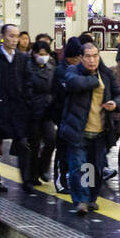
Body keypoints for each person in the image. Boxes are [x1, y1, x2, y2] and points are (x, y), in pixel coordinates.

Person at [58, 42, 120, 215]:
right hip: (77, 130)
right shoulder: (73, 71)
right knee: (78, 167)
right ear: (81, 58)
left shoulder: (107, 75)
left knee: (95, 168)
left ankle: (91, 199)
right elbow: (73, 83)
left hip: (100, 131)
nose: (92, 60)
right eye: (88, 56)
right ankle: (81, 201)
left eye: (95, 55)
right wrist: (94, 81)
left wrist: (115, 103)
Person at [0, 24, 32, 192]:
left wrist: (27, 101)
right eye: (11, 36)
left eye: (17, 36)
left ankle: (26, 181)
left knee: (24, 144)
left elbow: (28, 81)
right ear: (2, 36)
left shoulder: (23, 58)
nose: (14, 40)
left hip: (18, 110)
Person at [50, 38, 84, 192]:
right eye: (78, 56)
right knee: (62, 151)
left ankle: (76, 181)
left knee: (75, 152)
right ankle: (60, 180)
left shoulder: (77, 69)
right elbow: (65, 93)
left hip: (76, 117)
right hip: (63, 117)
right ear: (73, 56)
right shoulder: (61, 71)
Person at [23, 40, 58, 187]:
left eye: (45, 54)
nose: (43, 57)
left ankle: (43, 169)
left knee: (51, 140)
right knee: (34, 145)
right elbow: (26, 89)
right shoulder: (28, 68)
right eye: (40, 54)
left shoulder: (51, 67)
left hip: (48, 110)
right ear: (34, 54)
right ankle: (33, 175)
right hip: (34, 111)